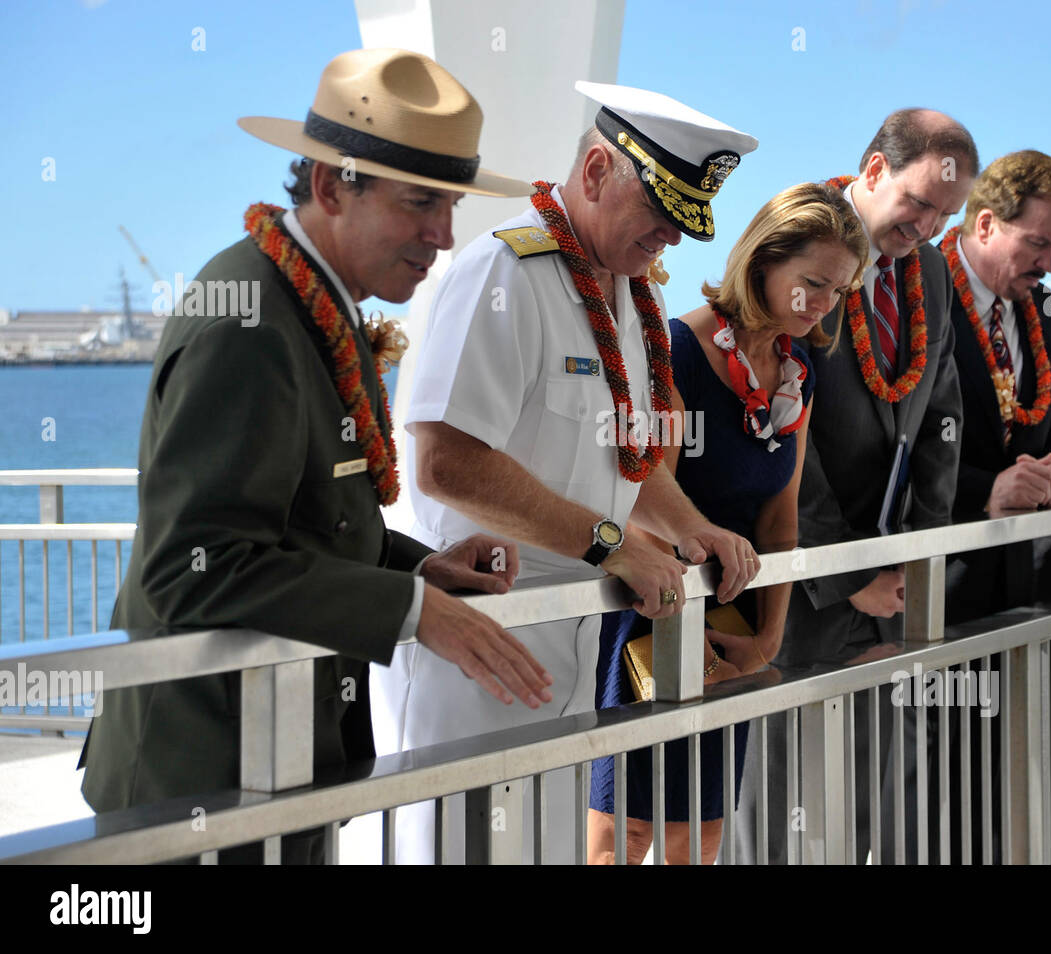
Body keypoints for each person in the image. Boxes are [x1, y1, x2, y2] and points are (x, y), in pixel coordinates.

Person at [77, 49, 553, 864]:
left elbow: (308, 524)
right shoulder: (248, 323)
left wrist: (417, 569)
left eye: (449, 205)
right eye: (420, 204)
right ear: (333, 187)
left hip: (274, 753)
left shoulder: (304, 300)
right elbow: (193, 568)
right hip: (202, 777)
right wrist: (411, 614)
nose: (443, 235)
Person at [371, 81, 762, 863]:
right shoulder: (504, 275)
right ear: (593, 173)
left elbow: (626, 451)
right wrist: (613, 544)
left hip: (572, 645)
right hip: (482, 641)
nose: (671, 244)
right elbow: (446, 464)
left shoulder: (626, 295)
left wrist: (689, 530)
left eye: (684, 225)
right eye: (659, 217)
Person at [586, 182, 869, 864]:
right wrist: (690, 642)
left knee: (702, 837)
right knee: (623, 835)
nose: (824, 305)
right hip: (652, 615)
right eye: (813, 284)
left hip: (735, 631)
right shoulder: (678, 351)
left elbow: (779, 522)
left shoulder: (797, 369)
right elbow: (648, 510)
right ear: (763, 261)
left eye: (840, 291)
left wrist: (767, 640)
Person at [739, 109, 977, 865]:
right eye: (918, 204)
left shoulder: (932, 271)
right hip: (799, 578)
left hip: (889, 586)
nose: (930, 227)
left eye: (947, 215)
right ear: (873, 171)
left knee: (864, 797)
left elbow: (942, 412)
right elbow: (781, 429)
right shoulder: (803, 242)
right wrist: (847, 574)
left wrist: (917, 555)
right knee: (773, 804)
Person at [939, 148, 1051, 863]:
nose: (1050, 265)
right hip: (935, 587)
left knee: (1000, 778)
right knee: (932, 789)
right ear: (986, 222)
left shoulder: (1048, 314)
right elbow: (889, 454)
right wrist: (985, 492)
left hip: (1019, 588)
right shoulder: (920, 299)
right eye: (1038, 244)